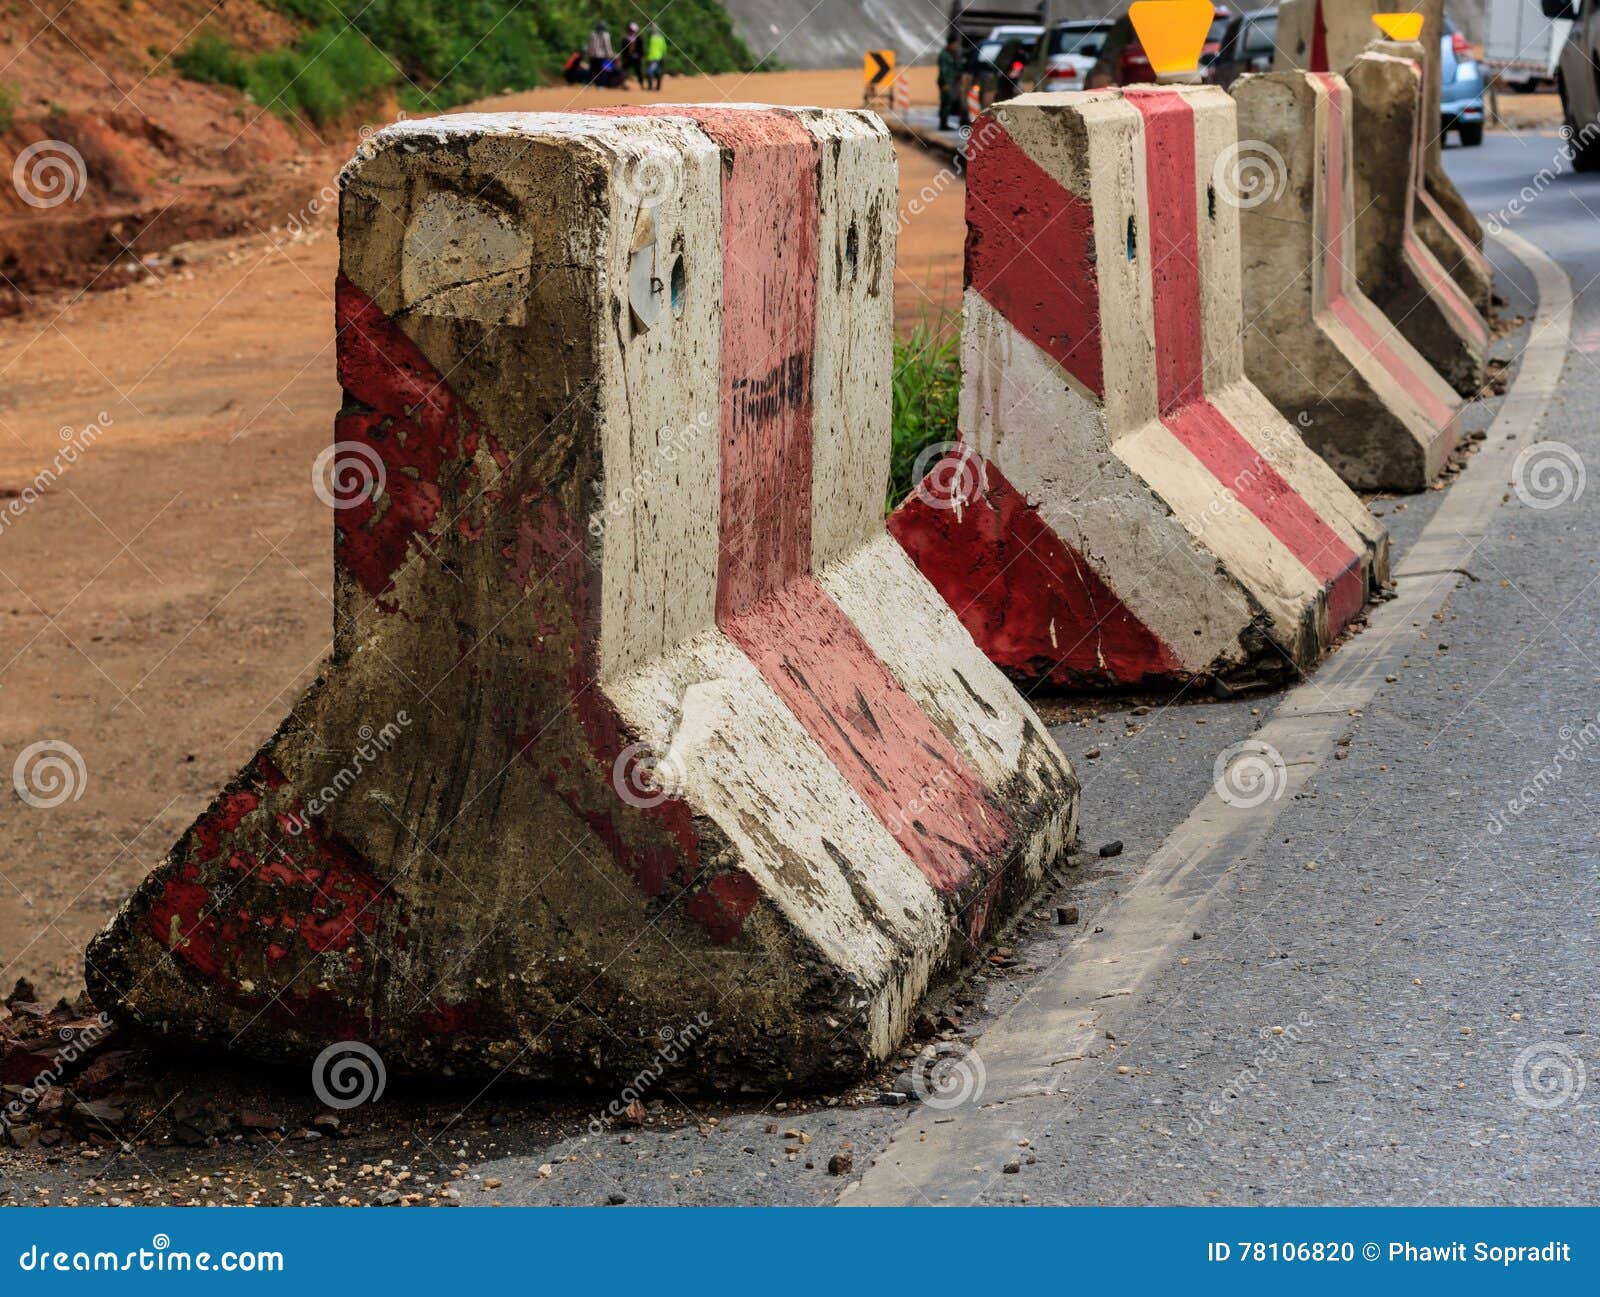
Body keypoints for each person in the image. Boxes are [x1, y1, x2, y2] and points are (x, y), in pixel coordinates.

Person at [938, 33, 965, 130]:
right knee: (946, 103)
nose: (956, 46)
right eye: (955, 44)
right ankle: (943, 124)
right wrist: (945, 83)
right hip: (947, 82)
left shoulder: (951, 53)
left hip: (952, 82)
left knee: (950, 103)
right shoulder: (945, 55)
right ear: (951, 44)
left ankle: (945, 124)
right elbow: (944, 71)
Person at [586, 21, 615, 85]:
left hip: (593, 55)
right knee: (600, 71)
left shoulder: (592, 34)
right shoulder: (606, 35)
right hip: (601, 56)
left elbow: (590, 46)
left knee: (593, 70)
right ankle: (599, 84)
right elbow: (607, 46)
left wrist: (588, 53)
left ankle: (592, 83)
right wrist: (610, 55)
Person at [644, 23, 667, 91]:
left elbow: (661, 48)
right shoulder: (660, 38)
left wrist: (650, 57)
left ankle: (650, 87)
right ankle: (658, 87)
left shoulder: (654, 38)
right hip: (657, 58)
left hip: (655, 58)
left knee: (649, 72)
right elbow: (664, 48)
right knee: (657, 71)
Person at [621, 21, 645, 88]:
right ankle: (622, 83)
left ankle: (641, 84)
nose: (631, 31)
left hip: (636, 58)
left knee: (638, 71)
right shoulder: (625, 38)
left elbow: (641, 48)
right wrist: (624, 57)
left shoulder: (639, 38)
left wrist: (641, 56)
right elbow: (623, 49)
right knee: (624, 70)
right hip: (628, 58)